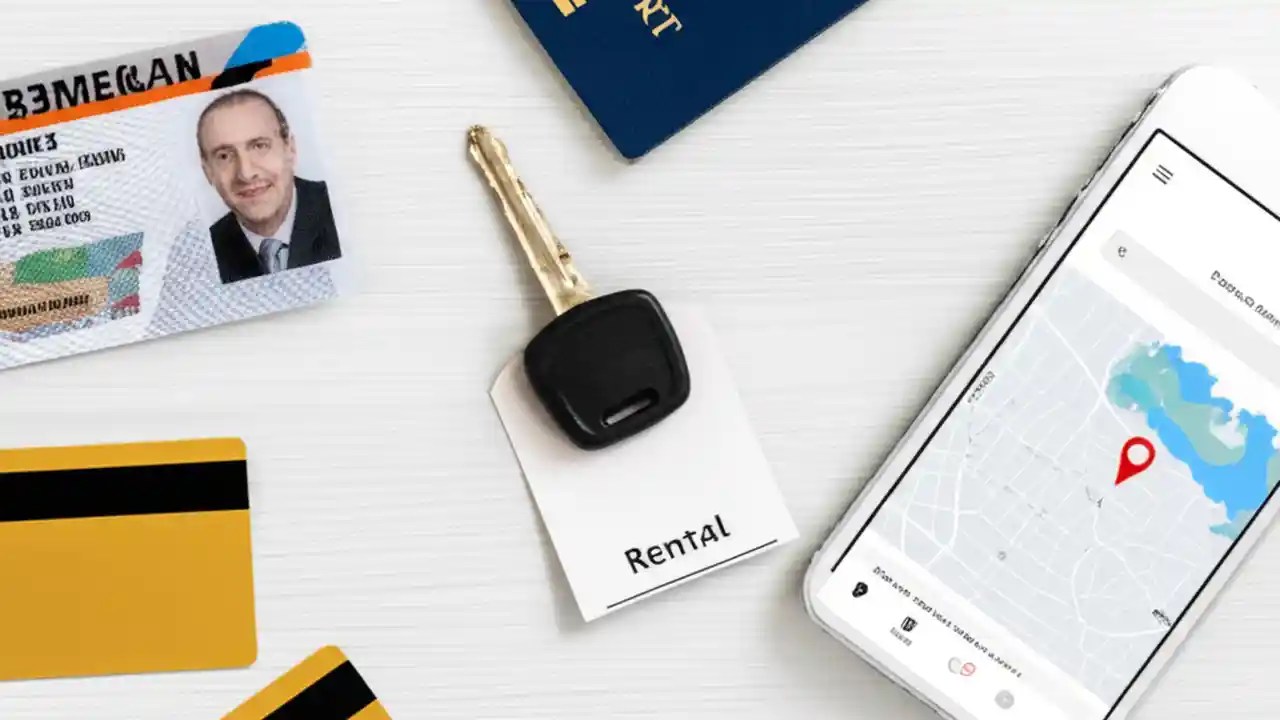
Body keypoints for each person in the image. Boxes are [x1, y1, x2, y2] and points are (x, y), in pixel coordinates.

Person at [198, 89, 341, 284]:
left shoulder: (341, 208)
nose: (246, 173)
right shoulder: (201, 258)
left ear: (290, 148)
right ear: (208, 172)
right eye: (224, 156)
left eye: (259, 146)